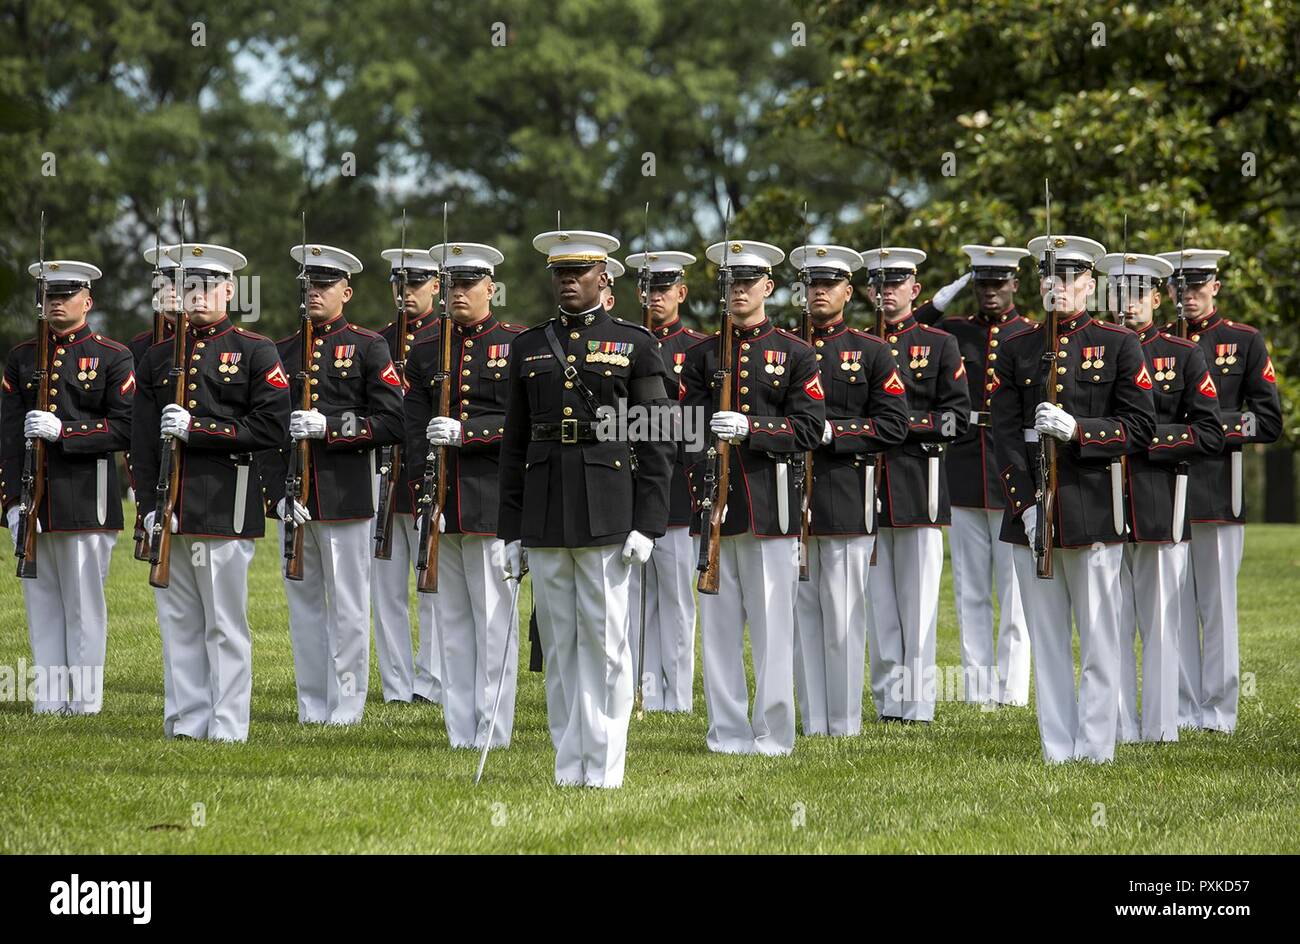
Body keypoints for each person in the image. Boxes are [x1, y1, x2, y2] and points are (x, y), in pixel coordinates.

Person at [497, 228, 675, 788]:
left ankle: (604, 766)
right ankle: (567, 762)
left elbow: (658, 439)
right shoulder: (528, 347)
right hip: (547, 511)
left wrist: (648, 522)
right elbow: (514, 445)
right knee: (558, 643)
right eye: (560, 273)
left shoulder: (636, 344)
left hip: (607, 508)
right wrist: (510, 529)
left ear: (606, 279)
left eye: (580, 273)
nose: (568, 281)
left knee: (604, 643)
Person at [991, 234, 1155, 763]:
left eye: (1068, 278)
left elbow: (1139, 427)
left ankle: (1096, 746)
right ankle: (1058, 746)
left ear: (1090, 283)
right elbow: (1002, 433)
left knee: (1100, 636)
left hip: (1092, 508)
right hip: (1033, 514)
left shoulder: (1118, 344)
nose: (1057, 287)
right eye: (1049, 278)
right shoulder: (1017, 347)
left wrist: (1080, 430)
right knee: (1048, 639)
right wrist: (1027, 505)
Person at [132, 243, 290, 740]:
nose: (195, 297)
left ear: (228, 291)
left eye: (206, 287)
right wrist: (148, 509)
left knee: (223, 623)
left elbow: (272, 426)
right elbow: (141, 443)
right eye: (186, 287)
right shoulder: (156, 357)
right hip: (171, 506)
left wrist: (200, 428)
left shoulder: (254, 351)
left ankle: (226, 724)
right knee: (178, 620)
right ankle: (185, 719)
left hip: (225, 501)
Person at [680, 239, 825, 755]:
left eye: (747, 282)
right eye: (729, 283)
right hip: (713, 505)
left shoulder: (794, 353)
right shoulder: (701, 355)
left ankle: (774, 733)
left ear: (768, 287)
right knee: (718, 631)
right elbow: (684, 429)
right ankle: (725, 732)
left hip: (770, 506)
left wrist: (753, 427)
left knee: (772, 629)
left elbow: (810, 429)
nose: (738, 291)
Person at [261, 244, 403, 725]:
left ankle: (346, 706)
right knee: (303, 606)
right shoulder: (280, 351)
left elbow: (392, 421)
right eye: (308, 286)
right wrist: (277, 494)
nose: (314, 294)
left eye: (323, 286)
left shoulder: (368, 346)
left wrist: (332, 427)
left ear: (346, 291)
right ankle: (311, 704)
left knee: (347, 607)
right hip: (297, 499)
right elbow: (268, 431)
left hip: (346, 495)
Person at [1096, 251, 1223, 743]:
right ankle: (1120, 724)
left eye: (1137, 297)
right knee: (1112, 618)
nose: (1127, 307)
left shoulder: (1184, 353)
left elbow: (1209, 432)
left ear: (1156, 298)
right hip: (1104, 498)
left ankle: (1162, 724)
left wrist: (1142, 436)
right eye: (1118, 297)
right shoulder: (1097, 350)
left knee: (1162, 618)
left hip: (1160, 498)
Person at [1155, 248, 1282, 734]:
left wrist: (1206, 427)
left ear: (1215, 287)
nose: (1187, 296)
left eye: (1196, 286)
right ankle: (1184, 707)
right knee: (1177, 605)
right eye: (1179, 287)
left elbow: (1267, 421)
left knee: (1218, 606)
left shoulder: (1243, 341)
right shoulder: (1158, 341)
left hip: (1218, 487)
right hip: (1167, 488)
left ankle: (1219, 712)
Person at [405, 241, 524, 748]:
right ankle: (460, 729)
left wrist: (470, 433)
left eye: (468, 284)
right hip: (443, 503)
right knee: (451, 623)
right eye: (451, 284)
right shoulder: (428, 349)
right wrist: (420, 491)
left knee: (494, 623)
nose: (457, 293)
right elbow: (412, 426)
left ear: (490, 288)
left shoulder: (516, 344)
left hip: (491, 499)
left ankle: (493, 730)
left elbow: (525, 424)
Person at [788, 243, 909, 735]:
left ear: (847, 291)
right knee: (802, 618)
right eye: (812, 284)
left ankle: (843, 720)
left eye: (828, 284)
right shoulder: (785, 346)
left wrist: (836, 433)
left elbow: (894, 425)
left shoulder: (871, 351)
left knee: (842, 616)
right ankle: (812, 720)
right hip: (788, 494)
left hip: (844, 490)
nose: (818, 291)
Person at [3, 259, 132, 715]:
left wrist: (68, 431)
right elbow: (6, 433)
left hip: (86, 497)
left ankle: (85, 701)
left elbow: (125, 428)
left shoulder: (112, 356)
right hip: (36, 499)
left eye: (65, 295)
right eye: (49, 296)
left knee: (84, 605)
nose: (55, 303)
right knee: (42, 605)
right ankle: (49, 698)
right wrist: (12, 502)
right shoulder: (21, 357)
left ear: (87, 301)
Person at [858, 246, 970, 724]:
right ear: (868, 291)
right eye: (880, 284)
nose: (887, 292)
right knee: (880, 603)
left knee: (920, 603)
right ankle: (888, 702)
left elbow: (956, 419)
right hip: (866, 485)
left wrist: (900, 425)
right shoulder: (857, 344)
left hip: (920, 484)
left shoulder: (939, 343)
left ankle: (918, 704)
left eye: (896, 284)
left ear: (915, 290)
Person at [622, 248, 706, 712]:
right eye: (647, 288)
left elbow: (694, 423)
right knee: (633, 599)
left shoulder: (696, 348)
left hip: (675, 486)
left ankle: (676, 698)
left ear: (681, 292)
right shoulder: (626, 342)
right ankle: (639, 690)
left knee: (674, 600)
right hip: (628, 483)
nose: (654, 297)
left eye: (663, 288)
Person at [372, 246, 444, 704]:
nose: (406, 293)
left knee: (433, 583)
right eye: (399, 284)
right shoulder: (377, 340)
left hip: (428, 473)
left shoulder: (448, 339)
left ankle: (432, 680)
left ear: (436, 287)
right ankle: (396, 685)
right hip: (384, 475)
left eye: (416, 284)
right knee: (386, 589)